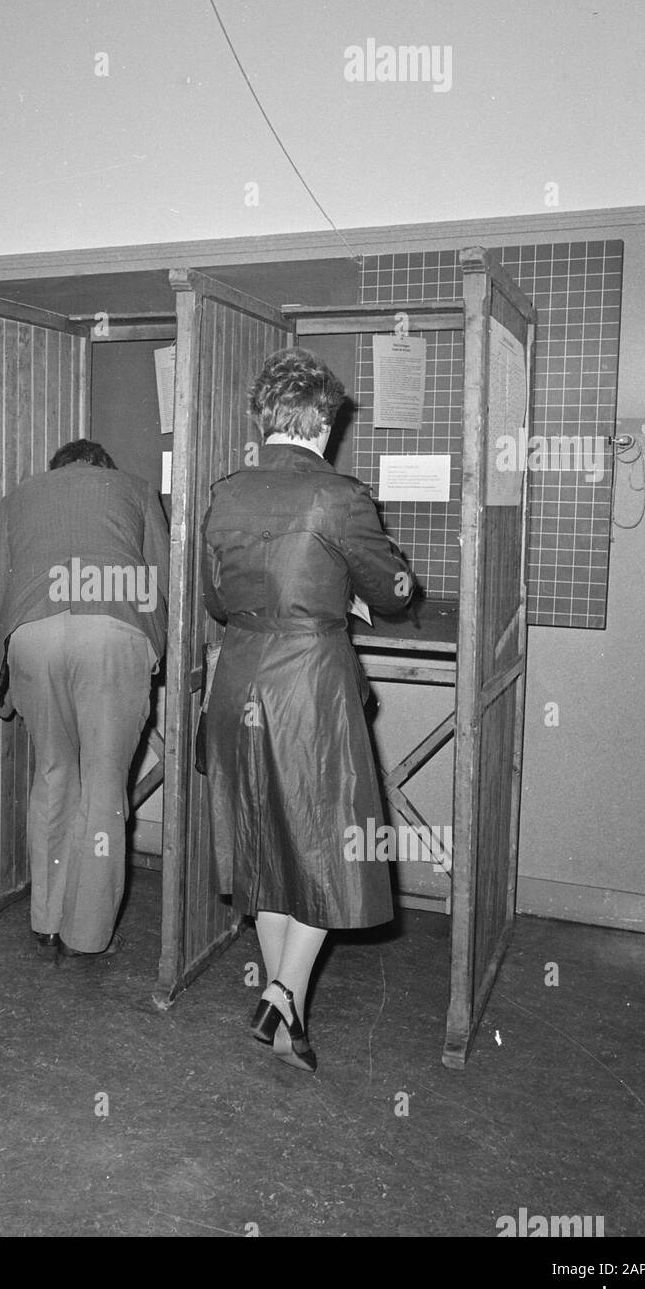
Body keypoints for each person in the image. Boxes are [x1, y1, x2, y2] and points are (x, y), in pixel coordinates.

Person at [200, 348, 412, 1069]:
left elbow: (213, 599)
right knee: (324, 844)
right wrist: (384, 584)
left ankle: (284, 1014)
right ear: (324, 419)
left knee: (261, 846)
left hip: (236, 678)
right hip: (307, 685)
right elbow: (389, 594)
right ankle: (285, 991)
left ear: (264, 418)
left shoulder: (224, 493)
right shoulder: (340, 496)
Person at [0, 440, 169, 960]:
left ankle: (45, 920)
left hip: (34, 633)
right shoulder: (134, 490)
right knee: (104, 785)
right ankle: (87, 935)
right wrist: (159, 649)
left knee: (52, 773)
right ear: (102, 468)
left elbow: (1, 587)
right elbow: (161, 577)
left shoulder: (20, 496)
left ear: (56, 471)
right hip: (111, 633)